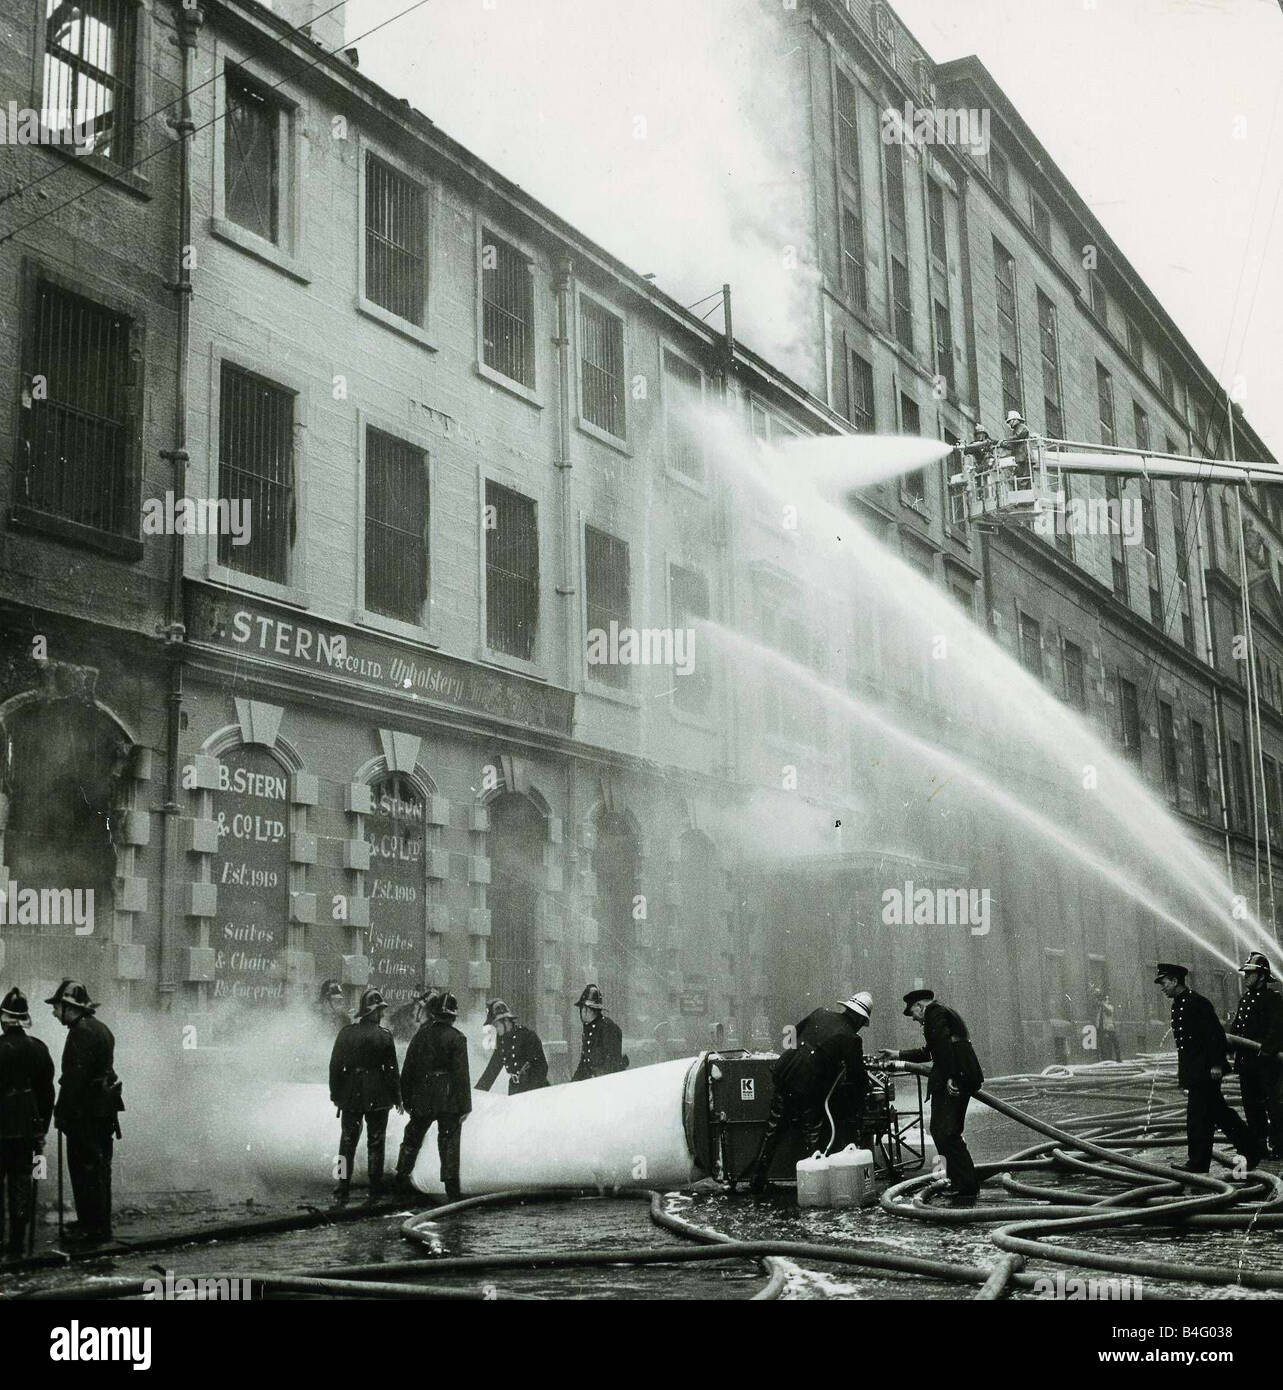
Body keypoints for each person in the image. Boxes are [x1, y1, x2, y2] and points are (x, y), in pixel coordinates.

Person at [747, 992, 873, 1194]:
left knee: (773, 1129)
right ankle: (814, 1185)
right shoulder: (851, 1039)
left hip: (785, 1075)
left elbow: (792, 1034)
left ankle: (757, 1179)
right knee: (812, 1135)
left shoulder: (819, 1013)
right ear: (859, 1018)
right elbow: (857, 1075)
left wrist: (797, 1057)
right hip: (809, 1087)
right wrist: (865, 1090)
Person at [1156, 963, 1261, 1174]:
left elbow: (1215, 1036)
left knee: (1198, 1117)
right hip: (1195, 1070)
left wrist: (1215, 1064)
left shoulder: (1198, 1003)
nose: (1162, 987)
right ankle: (1252, 1149)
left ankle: (1198, 1163)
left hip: (1206, 1070)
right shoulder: (1178, 1004)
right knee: (1218, 1113)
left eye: (1164, 982)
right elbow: (1185, 1046)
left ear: (1175, 981)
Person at [883, 988, 982, 1201]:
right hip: (962, 1073)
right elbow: (931, 1050)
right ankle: (963, 1183)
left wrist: (950, 1076)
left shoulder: (934, 1012)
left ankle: (964, 1185)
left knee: (945, 1131)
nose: (915, 1019)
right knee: (946, 1131)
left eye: (913, 1013)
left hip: (956, 1075)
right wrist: (898, 1054)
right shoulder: (942, 1013)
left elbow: (944, 1048)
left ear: (920, 1006)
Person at [47, 980, 123, 1245]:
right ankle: (97, 1224)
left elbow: (74, 1078)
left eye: (57, 1007)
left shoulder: (81, 1032)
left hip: (85, 1113)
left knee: (84, 1169)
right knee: (100, 1168)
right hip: (102, 1111)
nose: (54, 1013)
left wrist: (60, 1109)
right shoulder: (101, 1029)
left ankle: (92, 1228)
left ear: (70, 1007)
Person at [328, 986, 402, 1204]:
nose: (382, 1015)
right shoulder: (384, 1036)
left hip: (350, 1093)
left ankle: (341, 1184)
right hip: (377, 1095)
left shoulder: (346, 1033)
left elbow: (335, 1067)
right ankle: (375, 1186)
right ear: (374, 1012)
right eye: (380, 1011)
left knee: (346, 1141)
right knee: (375, 1141)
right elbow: (391, 1071)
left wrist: (336, 1094)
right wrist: (397, 1097)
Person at [395, 991, 471, 1201]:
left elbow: (408, 1068)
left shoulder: (421, 1035)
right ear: (453, 1016)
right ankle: (452, 1191)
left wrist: (407, 1099)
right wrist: (465, 1106)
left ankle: (401, 1180)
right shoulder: (457, 1038)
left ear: (435, 1013)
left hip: (422, 1096)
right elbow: (461, 1075)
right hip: (448, 1099)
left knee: (412, 1138)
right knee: (448, 1143)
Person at [0, 988, 54, 1255]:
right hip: (29, 1133)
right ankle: (18, 1241)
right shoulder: (40, 1049)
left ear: (4, 1020)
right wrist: (41, 1129)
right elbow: (48, 1094)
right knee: (24, 1182)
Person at [1227, 952, 1283, 1160]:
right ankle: (1259, 1144)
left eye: (1250, 974)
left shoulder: (1273, 999)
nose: (1246, 977)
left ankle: (1279, 1145)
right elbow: (1237, 1029)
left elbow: (1278, 1029)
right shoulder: (1244, 1000)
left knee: (1273, 1106)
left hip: (1266, 1063)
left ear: (1261, 976)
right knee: (1251, 1106)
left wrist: (1265, 1051)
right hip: (1247, 1064)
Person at [476, 999, 549, 1095]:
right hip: (515, 1090)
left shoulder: (527, 1036)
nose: (495, 1030)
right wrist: (476, 1094)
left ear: (506, 1021)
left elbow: (542, 1068)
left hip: (536, 1092)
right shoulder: (502, 1041)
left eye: (497, 1026)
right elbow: (492, 1070)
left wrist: (528, 1094)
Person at [571, 984, 627, 1081]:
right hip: (594, 1084)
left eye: (584, 1009)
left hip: (606, 1086)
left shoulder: (607, 1027)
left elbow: (612, 1064)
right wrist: (572, 1085)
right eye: (582, 1009)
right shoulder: (588, 1029)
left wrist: (597, 1083)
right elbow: (584, 1064)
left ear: (590, 1010)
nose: (582, 1012)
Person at [1001, 409, 1032, 482]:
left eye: (1010, 421)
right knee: (1019, 476)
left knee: (1024, 477)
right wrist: (1003, 444)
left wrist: (1007, 440)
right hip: (1019, 457)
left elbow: (1017, 436)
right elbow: (1012, 445)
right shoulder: (1015, 430)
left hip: (1024, 456)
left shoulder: (1022, 427)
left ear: (1015, 419)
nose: (1009, 424)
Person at [1094, 989, 1122, 1063]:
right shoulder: (1100, 1009)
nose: (1107, 1000)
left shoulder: (1110, 1007)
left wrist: (1102, 1004)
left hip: (1110, 1028)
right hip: (1103, 1029)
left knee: (1115, 1043)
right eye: (1105, 999)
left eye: (1107, 999)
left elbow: (1109, 1012)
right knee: (1104, 1044)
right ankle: (1105, 1059)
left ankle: (1118, 1058)